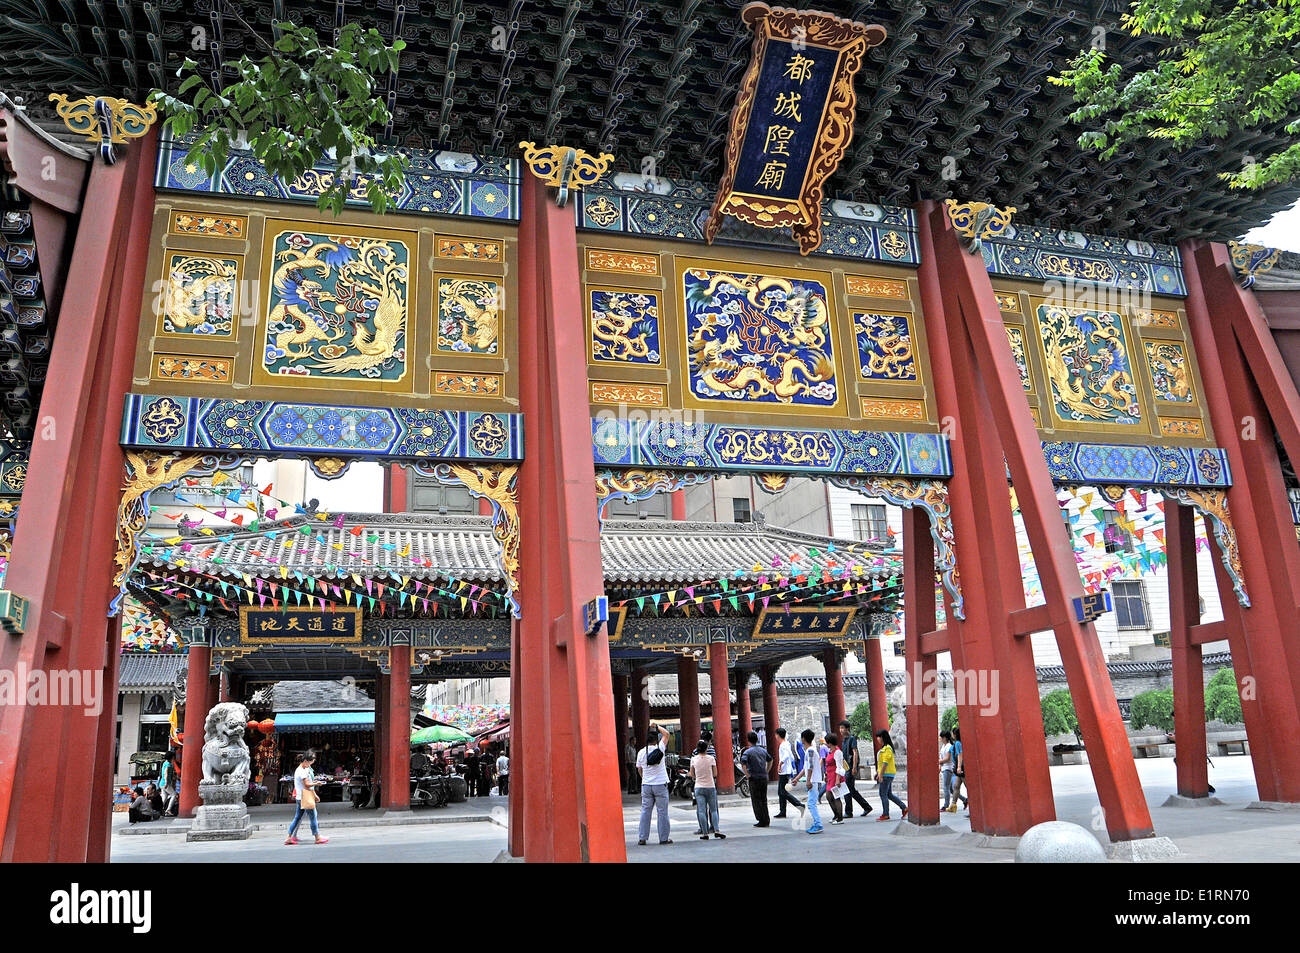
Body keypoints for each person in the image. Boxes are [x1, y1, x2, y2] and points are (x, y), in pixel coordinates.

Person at [635, 723, 673, 846]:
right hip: (660, 784)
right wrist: (657, 726)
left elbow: (639, 769)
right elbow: (666, 734)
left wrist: (645, 778)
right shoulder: (660, 748)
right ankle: (663, 838)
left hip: (646, 785)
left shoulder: (641, 752)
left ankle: (642, 837)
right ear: (656, 740)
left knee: (645, 811)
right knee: (662, 812)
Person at [286, 750, 329, 845]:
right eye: (310, 762)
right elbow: (307, 785)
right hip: (305, 797)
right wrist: (316, 783)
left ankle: (289, 837)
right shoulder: (302, 771)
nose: (310, 765)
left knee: (298, 817)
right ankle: (317, 837)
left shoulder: (300, 769)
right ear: (305, 761)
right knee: (313, 816)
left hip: (300, 797)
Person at [689, 738, 725, 841]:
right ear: (706, 748)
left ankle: (705, 833)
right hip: (710, 786)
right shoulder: (711, 759)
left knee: (701, 811)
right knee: (713, 810)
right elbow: (715, 774)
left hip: (699, 787)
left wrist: (697, 778)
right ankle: (717, 830)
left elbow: (692, 774)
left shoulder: (694, 759)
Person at [837, 720, 874, 818]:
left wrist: (854, 767)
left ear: (847, 729)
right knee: (850, 790)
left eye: (842, 728)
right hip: (846, 768)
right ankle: (865, 807)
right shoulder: (844, 740)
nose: (841, 730)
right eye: (840, 728)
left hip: (850, 768)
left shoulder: (852, 739)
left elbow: (855, 753)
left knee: (848, 790)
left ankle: (850, 811)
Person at [791, 729, 824, 834]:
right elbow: (805, 768)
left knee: (811, 804)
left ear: (803, 739)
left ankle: (818, 824)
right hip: (814, 780)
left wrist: (808, 780)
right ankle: (817, 823)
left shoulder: (810, 751)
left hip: (814, 781)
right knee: (811, 803)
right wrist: (797, 778)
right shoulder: (810, 751)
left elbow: (809, 767)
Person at [739, 730, 773, 827]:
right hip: (763, 777)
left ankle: (761, 819)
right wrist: (767, 770)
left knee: (756, 799)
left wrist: (747, 775)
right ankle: (766, 819)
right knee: (763, 799)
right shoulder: (763, 750)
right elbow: (770, 760)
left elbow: (743, 764)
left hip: (753, 777)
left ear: (748, 740)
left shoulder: (747, 752)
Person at [875, 730, 907, 821]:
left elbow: (885, 763)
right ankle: (904, 808)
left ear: (883, 737)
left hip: (886, 774)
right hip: (886, 774)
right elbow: (881, 764)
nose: (878, 739)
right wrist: (878, 773)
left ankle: (886, 814)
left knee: (883, 794)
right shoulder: (885, 748)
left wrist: (880, 775)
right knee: (888, 794)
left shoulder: (887, 748)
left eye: (879, 737)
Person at [774, 727, 804, 819]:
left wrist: (780, 764)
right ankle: (782, 811)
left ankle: (799, 805)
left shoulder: (783, 745)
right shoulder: (787, 744)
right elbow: (791, 757)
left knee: (782, 792)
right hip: (786, 770)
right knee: (781, 792)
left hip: (784, 771)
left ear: (778, 735)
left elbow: (787, 756)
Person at [823, 733, 846, 824]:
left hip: (836, 776)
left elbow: (839, 766)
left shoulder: (837, 752)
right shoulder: (830, 752)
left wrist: (837, 779)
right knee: (829, 796)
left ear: (830, 743)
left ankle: (840, 818)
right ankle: (836, 815)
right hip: (830, 777)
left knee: (836, 797)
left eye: (826, 742)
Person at [947, 727, 968, 813]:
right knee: (956, 786)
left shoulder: (958, 743)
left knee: (968, 787)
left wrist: (959, 767)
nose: (952, 734)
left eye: (953, 733)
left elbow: (960, 755)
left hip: (961, 768)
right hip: (958, 768)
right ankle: (953, 805)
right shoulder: (956, 743)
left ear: (955, 734)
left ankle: (974, 806)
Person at [939, 730, 956, 811]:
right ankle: (965, 800)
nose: (940, 739)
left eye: (941, 737)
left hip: (948, 768)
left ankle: (946, 805)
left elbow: (947, 758)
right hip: (944, 768)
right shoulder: (943, 746)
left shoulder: (949, 746)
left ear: (945, 738)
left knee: (946, 787)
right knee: (951, 789)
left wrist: (938, 762)